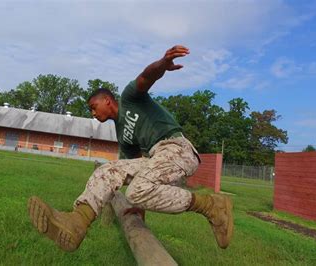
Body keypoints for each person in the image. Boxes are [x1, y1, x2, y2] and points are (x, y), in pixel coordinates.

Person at [28, 45, 233, 252]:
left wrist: (162, 63)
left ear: (107, 100)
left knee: (135, 192)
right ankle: (77, 223)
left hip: (177, 148)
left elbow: (147, 76)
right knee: (107, 171)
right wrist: (140, 211)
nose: (92, 113)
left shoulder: (129, 98)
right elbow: (138, 172)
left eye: (93, 107)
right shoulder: (122, 136)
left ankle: (210, 205)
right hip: (156, 158)